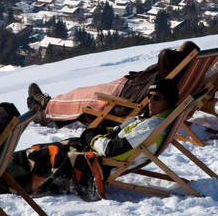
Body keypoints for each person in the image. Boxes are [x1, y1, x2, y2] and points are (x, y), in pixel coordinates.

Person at [12, 79, 179, 201]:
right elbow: (121, 134)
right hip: (104, 153)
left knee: (54, 155)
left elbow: (111, 149)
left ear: (169, 101)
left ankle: (11, 175)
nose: (150, 101)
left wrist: (91, 137)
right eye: (149, 96)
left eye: (157, 98)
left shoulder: (152, 125)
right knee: (58, 147)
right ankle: (11, 164)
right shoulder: (153, 120)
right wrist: (99, 132)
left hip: (102, 163)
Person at [27, 42, 199, 126]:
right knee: (85, 93)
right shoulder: (188, 73)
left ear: (181, 57)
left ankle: (45, 105)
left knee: (82, 96)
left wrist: (178, 54)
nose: (174, 50)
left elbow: (165, 55)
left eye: (178, 50)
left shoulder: (171, 69)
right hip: (128, 86)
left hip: (126, 97)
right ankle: (49, 110)